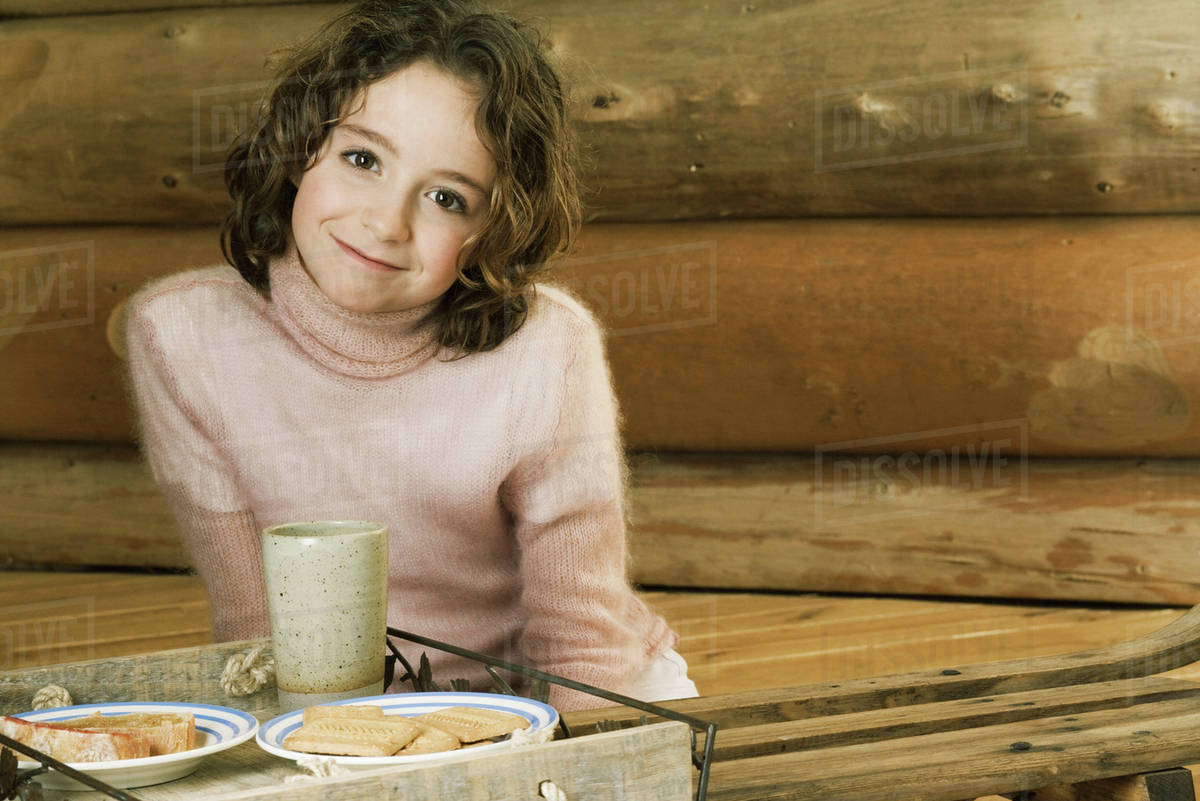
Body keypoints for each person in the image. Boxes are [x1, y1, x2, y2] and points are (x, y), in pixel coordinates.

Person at [122, 0, 697, 710]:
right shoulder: (181, 335)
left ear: (497, 229)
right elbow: (256, 633)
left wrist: (569, 759)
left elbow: (581, 635)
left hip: (549, 686)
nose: (385, 222)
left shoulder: (550, 346)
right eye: (362, 158)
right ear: (303, 148)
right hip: (339, 706)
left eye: (447, 198)